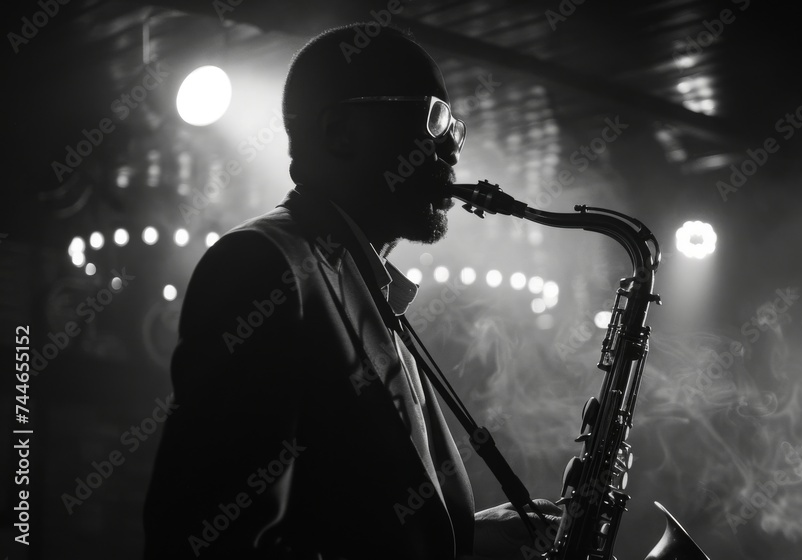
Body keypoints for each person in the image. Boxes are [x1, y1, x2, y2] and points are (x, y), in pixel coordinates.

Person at [142, 24, 560, 559]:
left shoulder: (370, 287)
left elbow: (348, 525)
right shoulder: (262, 266)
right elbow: (208, 540)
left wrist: (470, 540)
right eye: (433, 118)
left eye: (456, 128)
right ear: (340, 130)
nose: (451, 149)